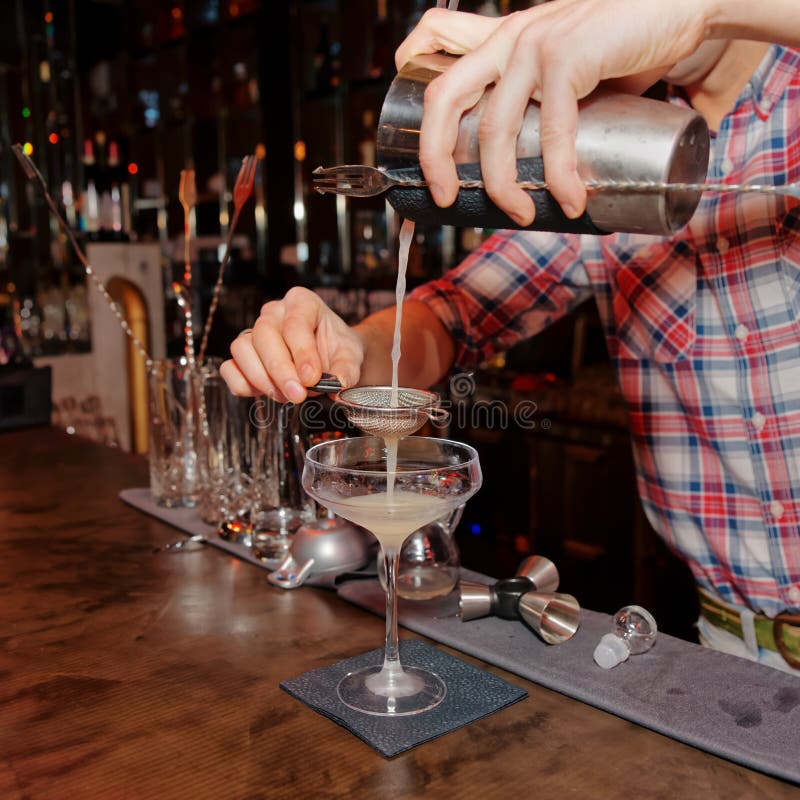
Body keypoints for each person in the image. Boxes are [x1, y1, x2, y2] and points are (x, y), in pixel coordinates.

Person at [222, 1, 800, 673]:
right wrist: (349, 346)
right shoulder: (603, 151)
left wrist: (700, 11)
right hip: (727, 648)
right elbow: (452, 317)